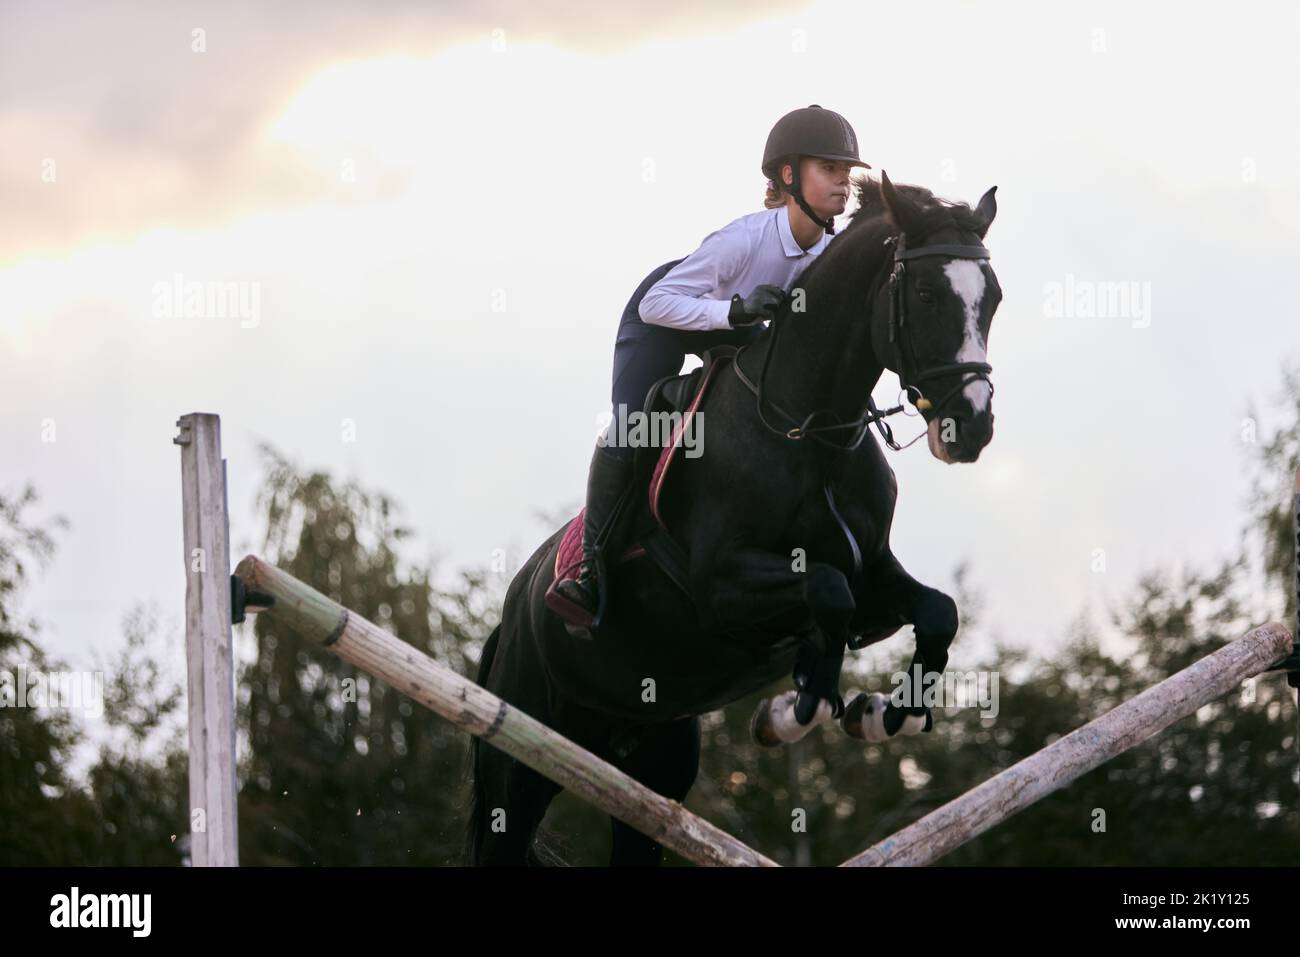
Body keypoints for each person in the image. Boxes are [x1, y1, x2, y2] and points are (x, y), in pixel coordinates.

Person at [546, 105, 870, 630]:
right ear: (789, 175)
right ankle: (588, 569)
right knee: (635, 429)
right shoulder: (744, 239)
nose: (844, 182)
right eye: (830, 169)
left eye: (847, 172)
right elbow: (658, 303)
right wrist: (733, 312)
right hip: (664, 314)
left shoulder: (830, 254)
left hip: (734, 319)